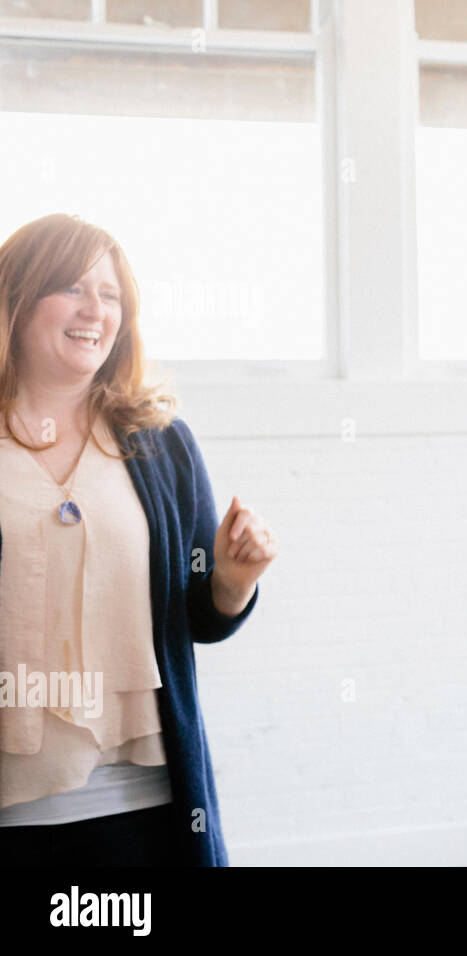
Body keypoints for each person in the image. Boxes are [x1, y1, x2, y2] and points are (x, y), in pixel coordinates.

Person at [0, 213, 278, 866]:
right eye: (72, 287)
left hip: (142, 812)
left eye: (111, 295)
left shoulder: (161, 444)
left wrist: (235, 582)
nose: (94, 309)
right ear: (16, 297)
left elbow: (198, 613)